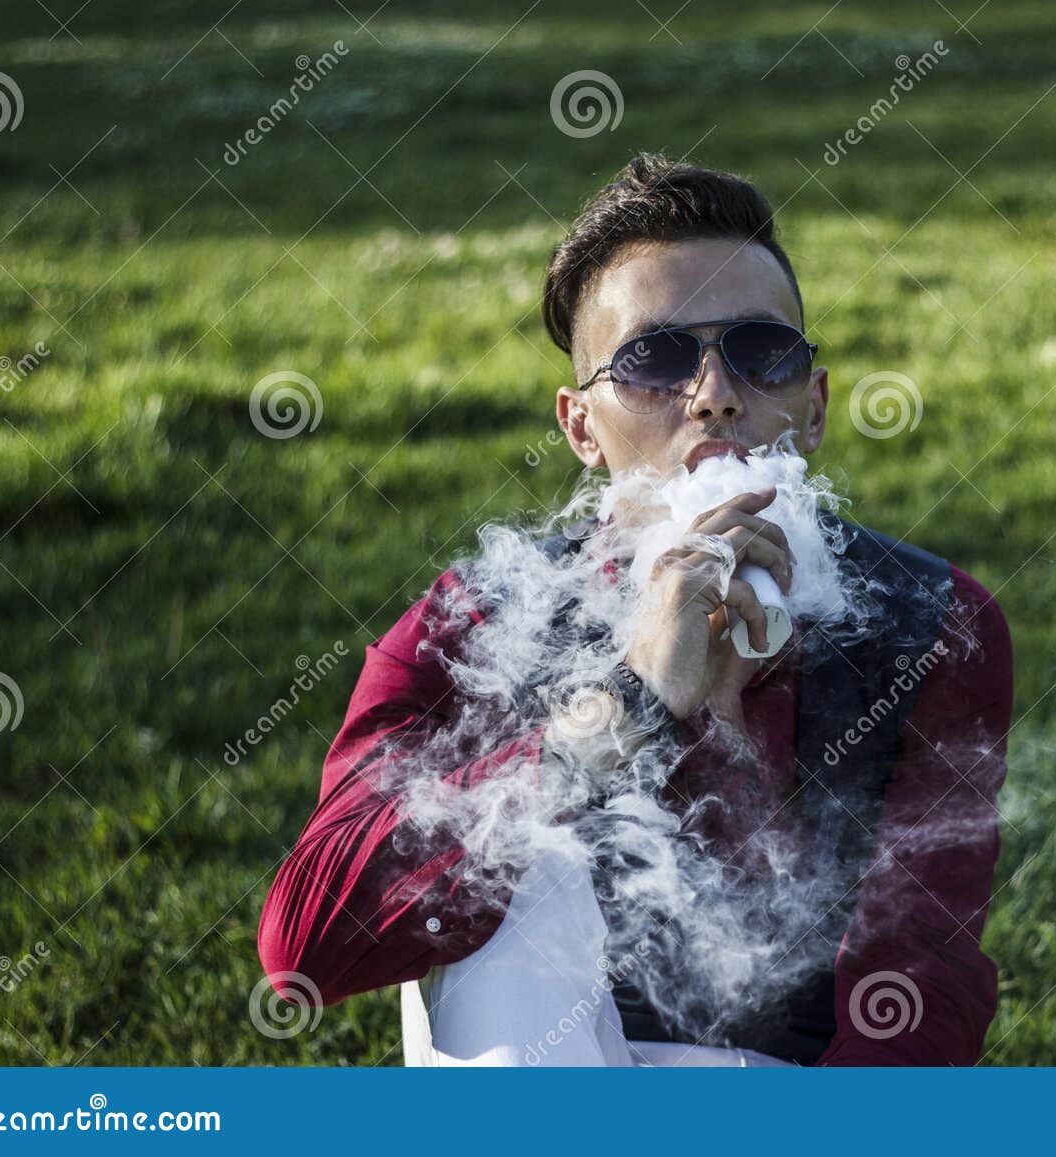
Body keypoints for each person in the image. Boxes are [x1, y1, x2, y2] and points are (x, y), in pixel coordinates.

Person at [257, 152, 1015, 1066]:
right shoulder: (478, 621)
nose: (715, 395)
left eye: (760, 353)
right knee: (518, 860)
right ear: (581, 426)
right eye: (654, 360)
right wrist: (627, 701)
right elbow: (303, 945)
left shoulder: (931, 622)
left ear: (811, 408)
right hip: (540, 1062)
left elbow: (923, 975)